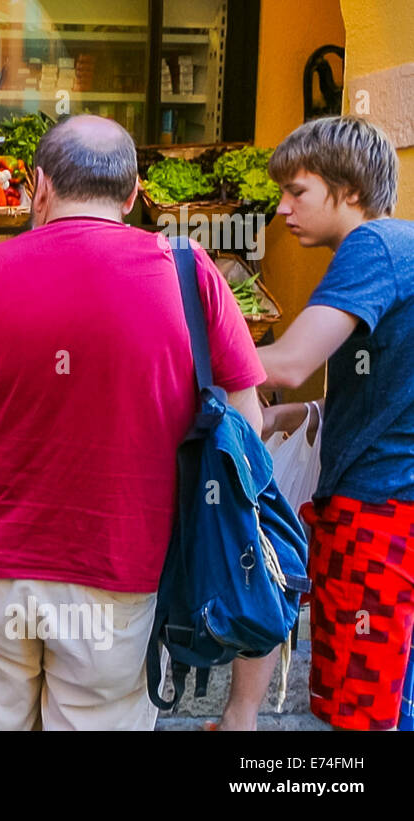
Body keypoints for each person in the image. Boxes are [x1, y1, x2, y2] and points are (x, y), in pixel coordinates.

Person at [0, 115, 265, 730]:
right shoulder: (191, 274)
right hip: (122, 574)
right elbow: (247, 423)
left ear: (40, 185)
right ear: (133, 194)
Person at [222, 116, 414, 731]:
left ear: (349, 191)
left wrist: (175, 356)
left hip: (377, 511)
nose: (281, 209)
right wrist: (299, 413)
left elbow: (290, 359)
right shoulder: (401, 247)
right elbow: (392, 391)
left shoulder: (373, 246)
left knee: (358, 714)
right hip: (388, 502)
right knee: (386, 700)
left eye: (296, 192)